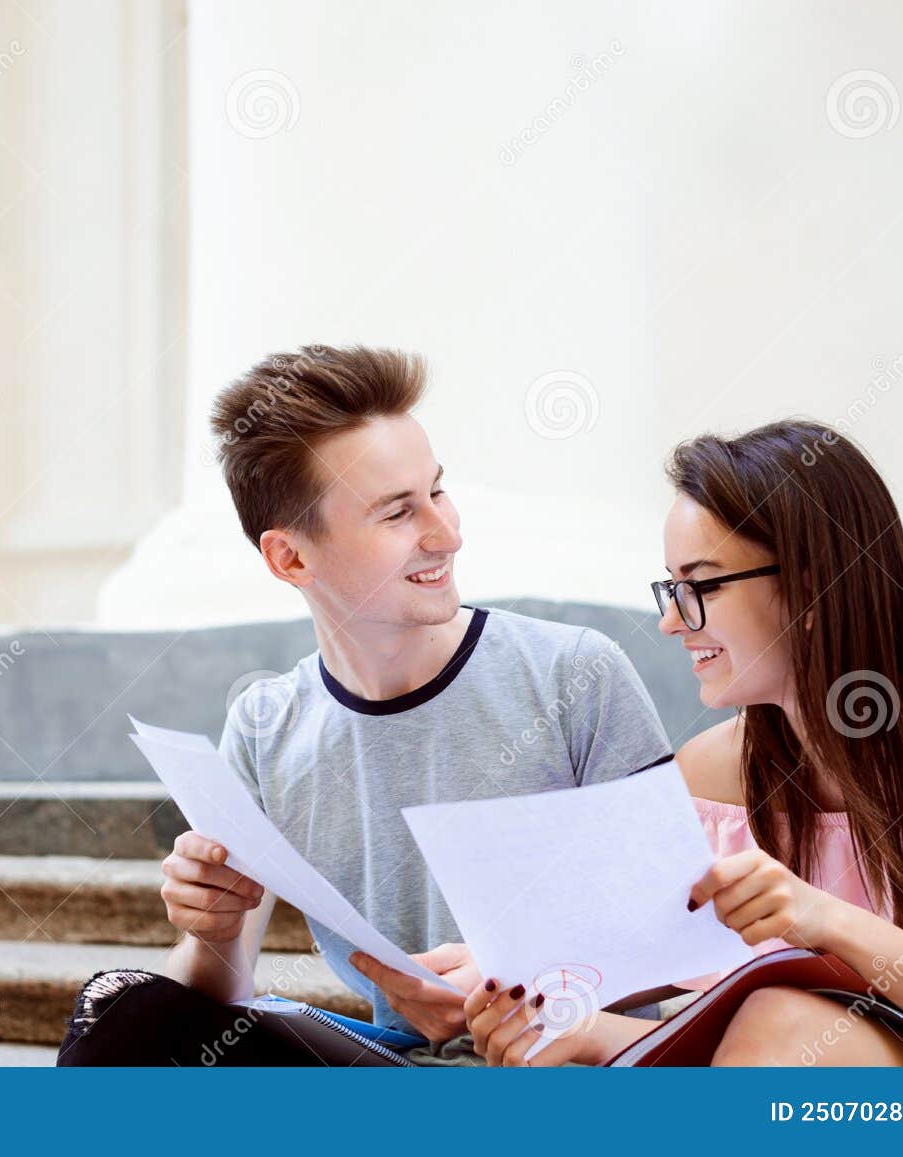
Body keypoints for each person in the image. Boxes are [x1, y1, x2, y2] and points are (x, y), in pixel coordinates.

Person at [56, 345, 671, 1066]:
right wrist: (214, 929)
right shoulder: (264, 726)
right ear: (290, 559)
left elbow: (681, 943)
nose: (446, 532)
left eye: (437, 491)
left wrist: (523, 978)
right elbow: (216, 990)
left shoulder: (574, 674)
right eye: (397, 512)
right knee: (121, 1008)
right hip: (394, 1071)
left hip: (564, 1079)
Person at [467, 419, 903, 1067]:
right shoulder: (705, 776)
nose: (671, 620)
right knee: (774, 1021)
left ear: (814, 587)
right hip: (789, 1076)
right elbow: (685, 1005)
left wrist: (823, 917)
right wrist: (525, 993)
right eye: (671, 587)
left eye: (698, 586)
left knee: (781, 1018)